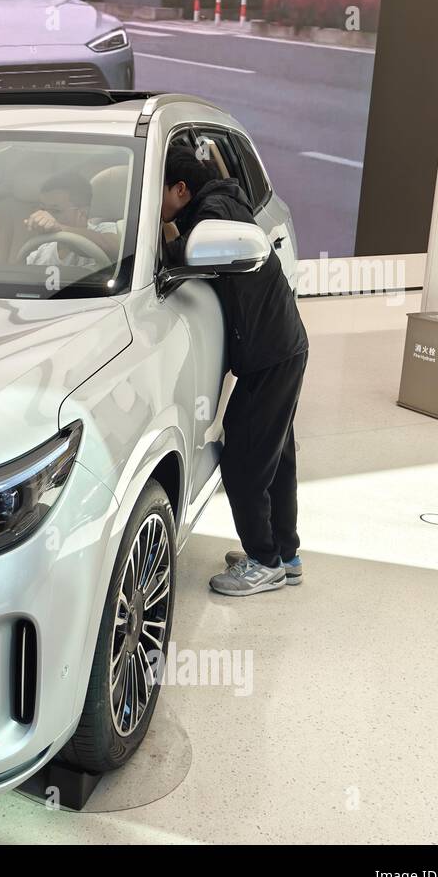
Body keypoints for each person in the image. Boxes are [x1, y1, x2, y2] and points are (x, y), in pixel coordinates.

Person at [161, 145, 309, 597]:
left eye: (159, 194)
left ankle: (264, 562)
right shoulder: (221, 200)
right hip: (279, 348)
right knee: (277, 456)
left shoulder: (214, 215)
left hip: (269, 356)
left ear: (182, 189)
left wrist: (163, 232)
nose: (157, 206)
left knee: (243, 462)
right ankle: (285, 554)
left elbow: (184, 253)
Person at [23, 172, 119, 270]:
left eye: (56, 211)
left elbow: (118, 250)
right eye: (42, 209)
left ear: (82, 213)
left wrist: (59, 228)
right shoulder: (40, 254)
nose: (46, 216)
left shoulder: (105, 230)